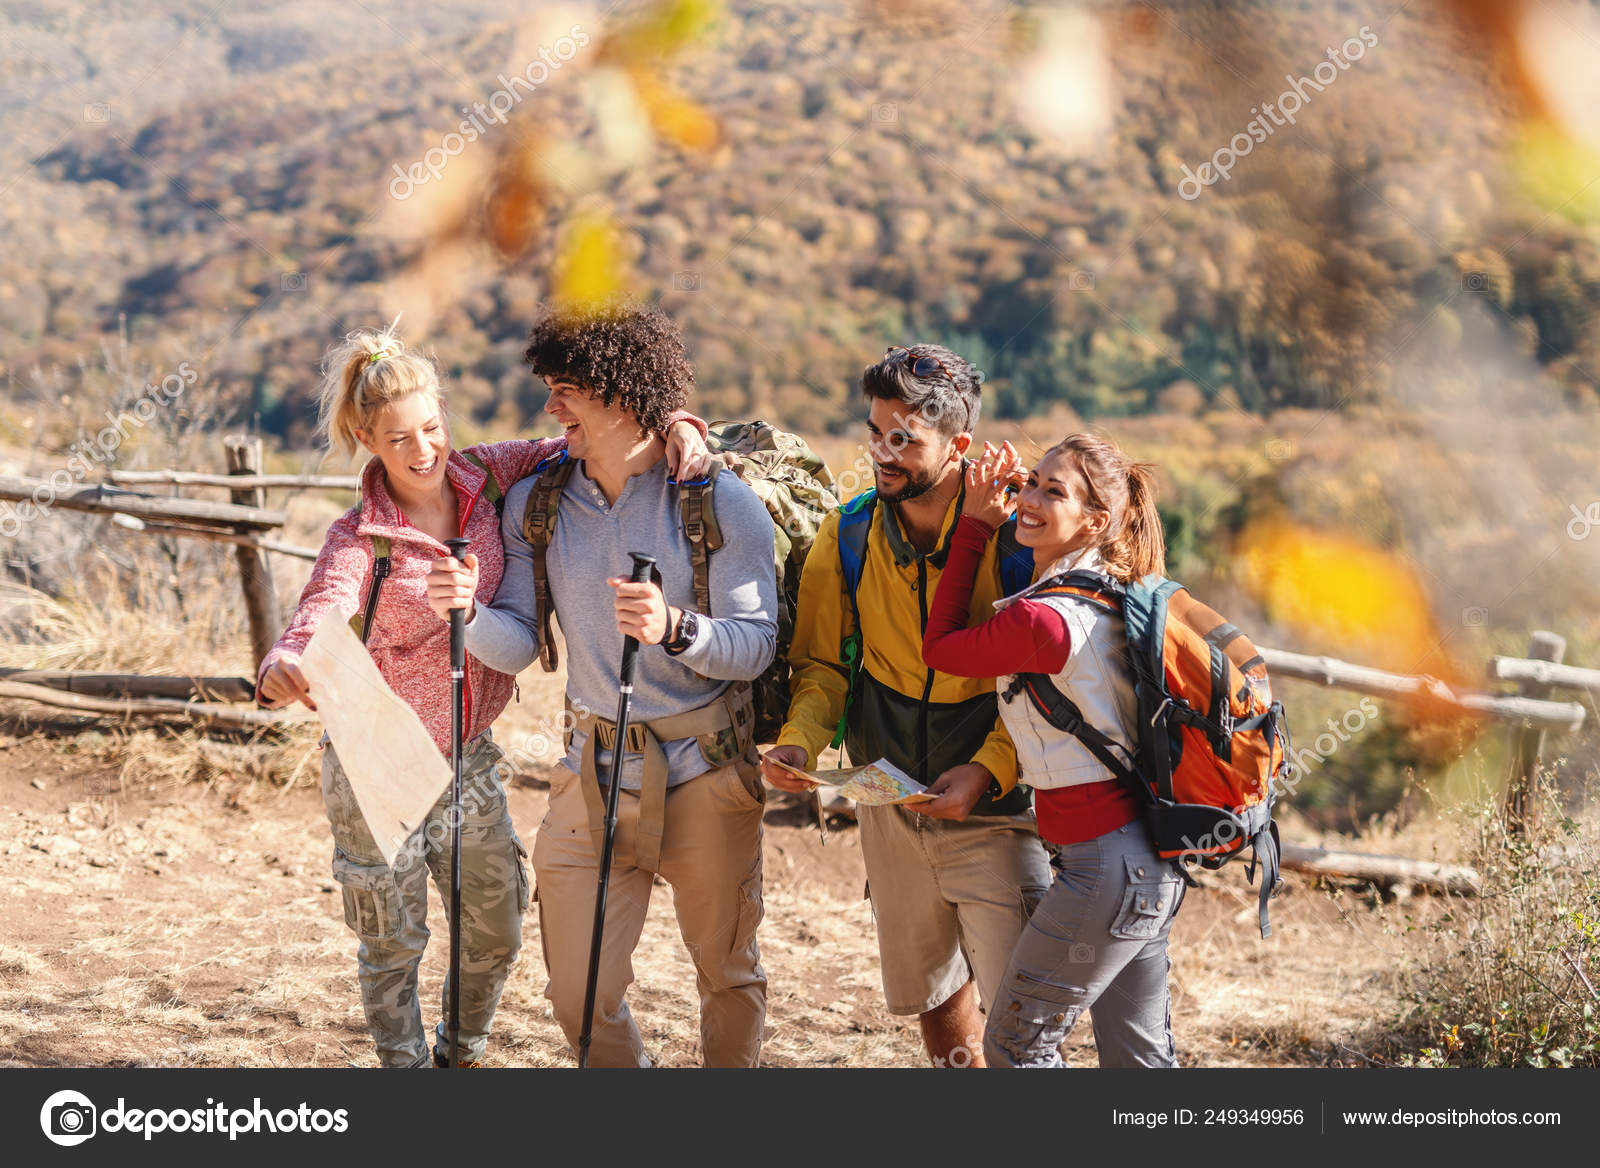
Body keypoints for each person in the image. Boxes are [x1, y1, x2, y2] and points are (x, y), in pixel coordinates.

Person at [256, 325, 711, 1068]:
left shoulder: (491, 477)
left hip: (467, 754)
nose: (423, 449)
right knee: (393, 940)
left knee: (496, 925)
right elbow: (320, 611)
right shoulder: (359, 537)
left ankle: (458, 1055)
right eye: (399, 437)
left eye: (432, 427)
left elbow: (591, 435)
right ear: (369, 438)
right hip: (377, 757)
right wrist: (288, 661)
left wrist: (679, 425)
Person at [438, 300, 778, 1068]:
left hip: (708, 775)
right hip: (588, 775)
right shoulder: (540, 503)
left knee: (726, 975)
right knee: (576, 993)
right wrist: (467, 613)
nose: (551, 406)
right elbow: (519, 644)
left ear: (623, 398)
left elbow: (755, 647)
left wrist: (674, 628)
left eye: (567, 390)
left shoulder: (720, 503)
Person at [761, 344, 1051, 1068]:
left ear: (960, 446)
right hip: (888, 804)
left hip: (1002, 810)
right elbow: (823, 665)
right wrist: (801, 740)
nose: (880, 453)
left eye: (903, 440)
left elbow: (1049, 687)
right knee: (932, 990)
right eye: (874, 431)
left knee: (1024, 1008)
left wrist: (987, 771)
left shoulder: (1018, 541)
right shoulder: (849, 531)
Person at [921, 435, 1186, 1068]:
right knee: (1140, 1060)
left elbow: (940, 647)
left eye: (1053, 490)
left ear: (1097, 521)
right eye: (1030, 482)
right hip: (1146, 865)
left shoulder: (1044, 621)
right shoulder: (1115, 594)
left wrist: (975, 527)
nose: (1028, 498)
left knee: (1016, 1042)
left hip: (1103, 869)